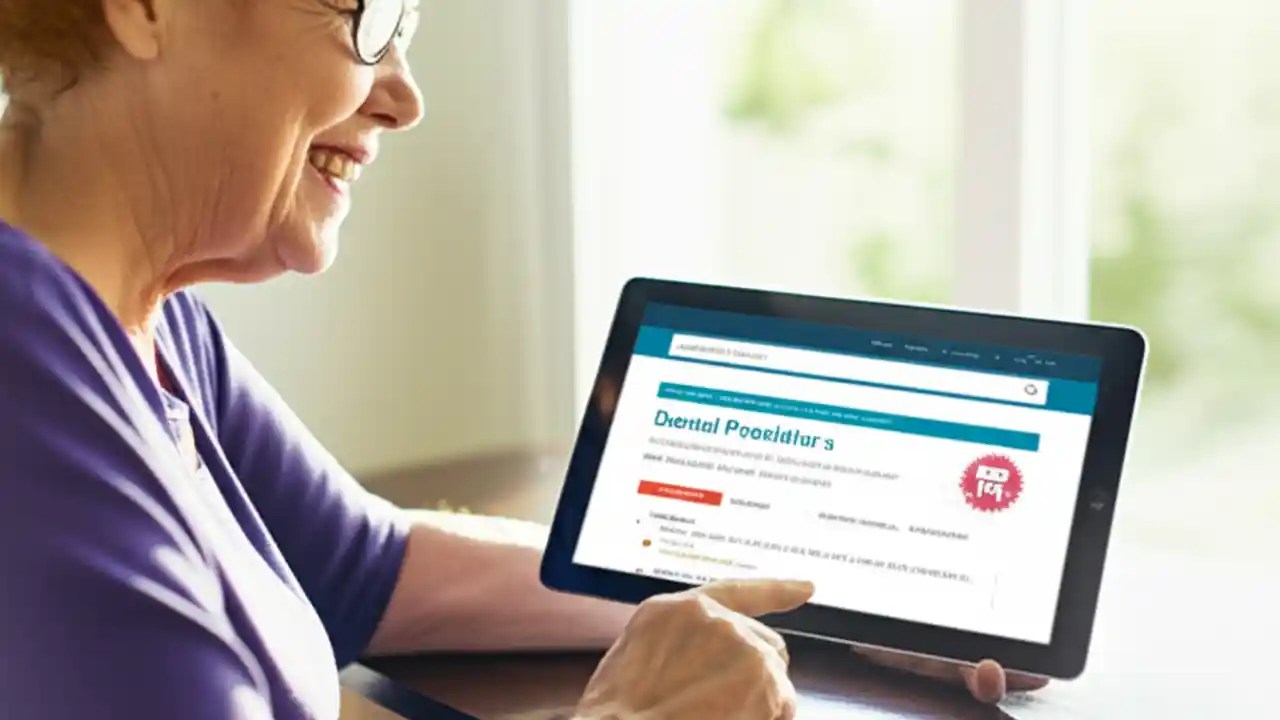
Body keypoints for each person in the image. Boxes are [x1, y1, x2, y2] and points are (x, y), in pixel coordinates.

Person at [0, 1, 1046, 718]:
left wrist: (827, 599)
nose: (402, 95)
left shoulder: (135, 314)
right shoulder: (19, 362)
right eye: (366, 19)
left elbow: (372, 570)